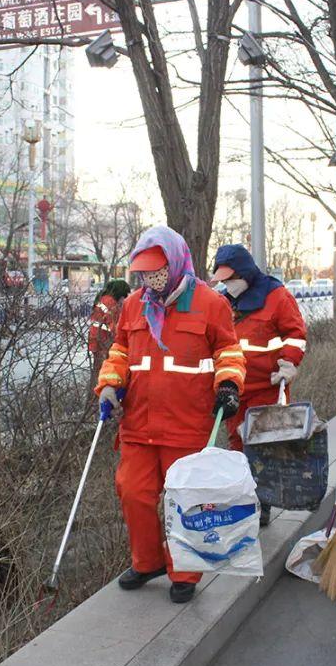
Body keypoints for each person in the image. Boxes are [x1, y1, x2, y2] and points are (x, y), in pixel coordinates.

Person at [95, 226, 246, 604]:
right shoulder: (134, 305)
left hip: (186, 424)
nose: (151, 279)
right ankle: (147, 562)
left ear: (176, 263)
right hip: (138, 424)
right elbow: (119, 352)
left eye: (157, 271)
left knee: (185, 500)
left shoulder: (210, 303)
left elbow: (228, 351)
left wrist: (229, 385)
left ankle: (184, 571)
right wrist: (110, 384)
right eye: (144, 273)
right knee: (133, 492)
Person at [210, 244, 307, 526]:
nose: (228, 285)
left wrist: (289, 363)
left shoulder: (276, 296)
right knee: (237, 441)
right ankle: (243, 498)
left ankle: (262, 501)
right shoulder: (224, 302)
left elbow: (295, 334)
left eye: (230, 278)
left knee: (262, 444)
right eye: (223, 280)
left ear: (244, 273)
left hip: (267, 385)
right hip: (236, 386)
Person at [87, 279, 131, 368]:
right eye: (125, 295)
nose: (125, 298)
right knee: (107, 367)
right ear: (120, 293)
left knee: (98, 367)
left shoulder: (103, 298)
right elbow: (114, 325)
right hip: (104, 341)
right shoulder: (111, 303)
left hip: (96, 338)